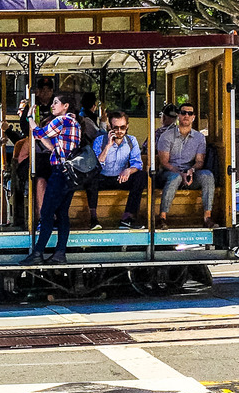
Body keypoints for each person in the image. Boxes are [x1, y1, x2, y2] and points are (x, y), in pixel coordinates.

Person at [21, 92, 81, 265]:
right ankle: (60, 253)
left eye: (56, 103)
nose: (52, 106)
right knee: (62, 214)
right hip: (70, 174)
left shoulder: (61, 120)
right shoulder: (75, 123)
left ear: (65, 106)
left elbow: (39, 133)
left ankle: (38, 252)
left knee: (47, 213)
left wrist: (30, 118)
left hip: (59, 173)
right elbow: (53, 146)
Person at [157, 105, 216, 228]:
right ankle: (162, 218)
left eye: (190, 113)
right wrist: (180, 173)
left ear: (193, 117)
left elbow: (200, 161)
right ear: (178, 115)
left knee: (208, 175)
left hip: (190, 173)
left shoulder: (199, 137)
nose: (186, 116)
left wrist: (191, 170)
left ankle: (207, 217)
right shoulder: (166, 136)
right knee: (175, 178)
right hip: (168, 173)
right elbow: (164, 162)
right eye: (183, 113)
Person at [87, 110, 146, 230]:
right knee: (90, 177)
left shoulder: (131, 140)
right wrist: (108, 145)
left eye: (122, 127)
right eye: (116, 128)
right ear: (109, 126)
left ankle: (127, 217)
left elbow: (138, 163)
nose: (119, 131)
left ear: (127, 126)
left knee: (142, 176)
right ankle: (93, 218)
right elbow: (95, 165)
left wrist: (129, 170)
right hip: (103, 178)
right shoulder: (100, 140)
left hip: (121, 178)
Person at [19, 77, 55, 213]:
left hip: (52, 150)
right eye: (42, 90)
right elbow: (24, 127)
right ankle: (41, 214)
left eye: (48, 90)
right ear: (38, 92)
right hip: (37, 151)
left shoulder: (55, 106)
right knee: (39, 178)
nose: (45, 93)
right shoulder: (32, 106)